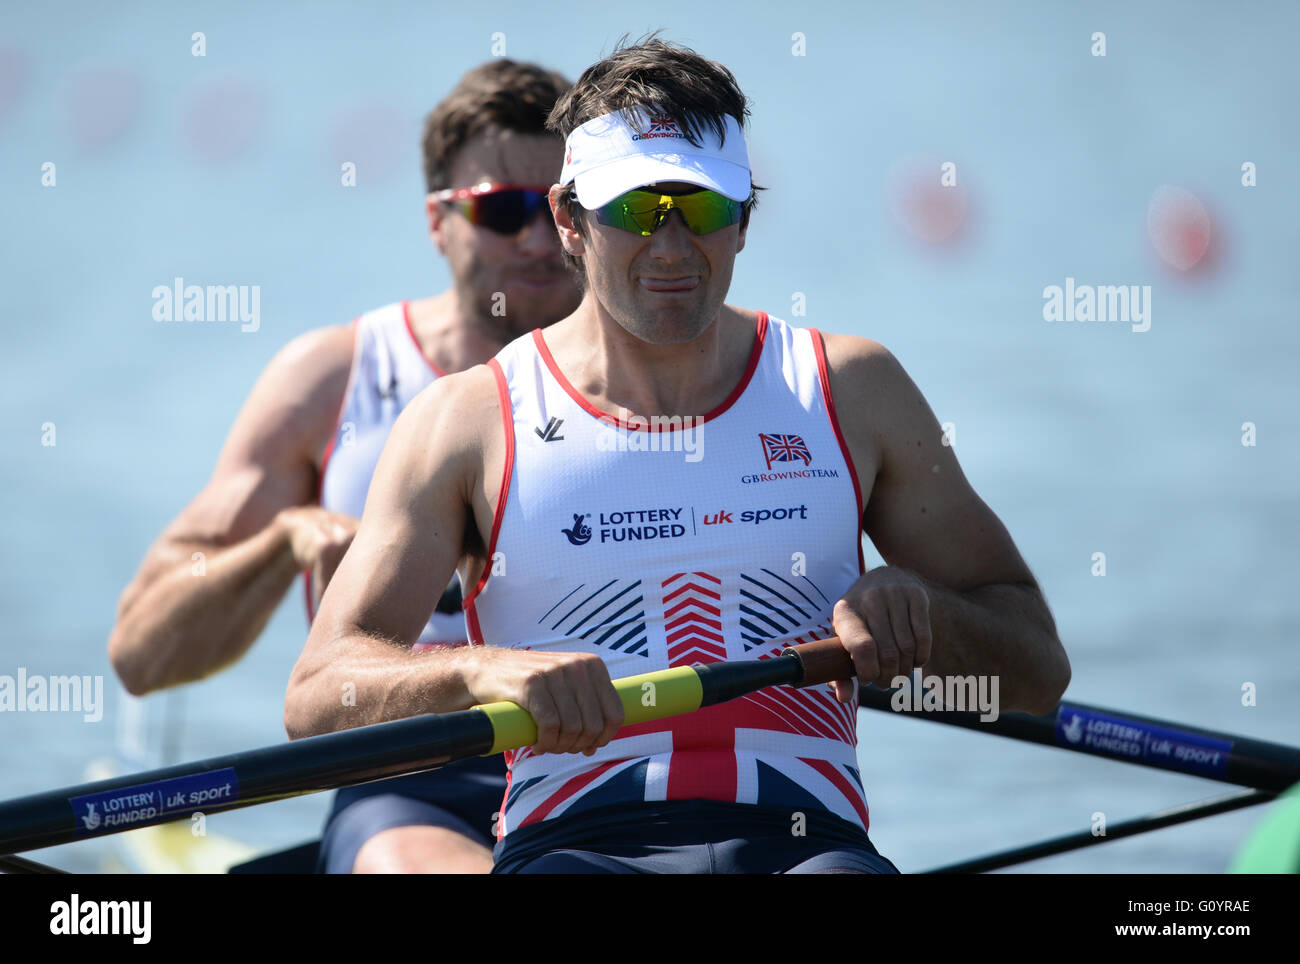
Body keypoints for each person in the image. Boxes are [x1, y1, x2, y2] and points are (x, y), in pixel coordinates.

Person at [285, 38, 1071, 874]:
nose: (669, 248)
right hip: (577, 847)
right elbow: (316, 696)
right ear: (569, 221)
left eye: (697, 207)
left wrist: (926, 616)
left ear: (743, 219)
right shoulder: (468, 421)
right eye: (632, 209)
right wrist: (481, 674)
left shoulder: (851, 389)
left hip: (805, 847)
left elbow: (1035, 672)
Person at [106, 59, 579, 873]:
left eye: (559, 208)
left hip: (605, 759)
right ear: (438, 222)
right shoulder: (332, 380)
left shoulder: (660, 377)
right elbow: (142, 657)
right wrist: (282, 541)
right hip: (411, 779)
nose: (537, 239)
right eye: (503, 210)